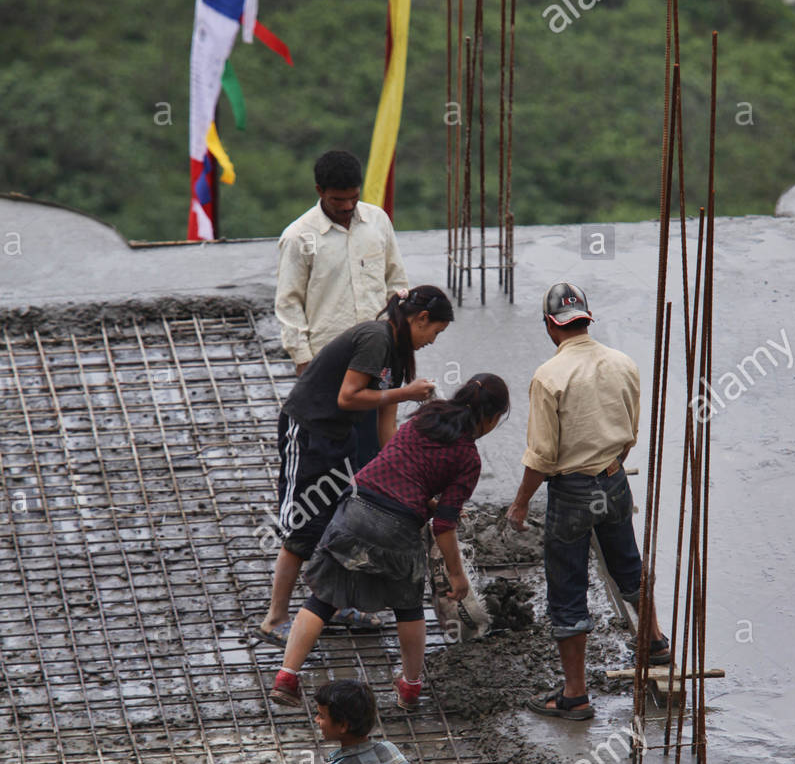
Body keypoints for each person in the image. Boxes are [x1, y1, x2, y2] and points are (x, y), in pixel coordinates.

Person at [270, 373, 510, 711]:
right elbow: (443, 524)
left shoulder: (426, 417)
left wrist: (421, 500)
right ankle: (410, 688)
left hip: (355, 507)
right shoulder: (468, 458)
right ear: (490, 417)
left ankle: (286, 677)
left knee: (323, 599)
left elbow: (402, 467)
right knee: (408, 607)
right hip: (397, 528)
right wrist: (457, 576)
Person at [507, 282, 669, 721]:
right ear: (586, 319)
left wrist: (521, 503)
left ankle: (575, 695)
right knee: (628, 564)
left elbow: (541, 456)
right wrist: (609, 466)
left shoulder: (549, 376)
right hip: (614, 481)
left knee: (567, 587)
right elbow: (631, 433)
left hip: (573, 493)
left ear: (550, 327)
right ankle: (654, 641)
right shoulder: (623, 363)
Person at [258, 287, 454, 642]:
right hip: (310, 432)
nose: (432, 341)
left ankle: (335, 601)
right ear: (420, 319)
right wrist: (406, 393)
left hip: (339, 437)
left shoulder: (397, 353)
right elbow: (348, 396)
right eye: (434, 332)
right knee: (303, 524)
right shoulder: (376, 338)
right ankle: (275, 618)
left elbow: (385, 424)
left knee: (340, 521)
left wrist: (403, 476)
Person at [275, 149, 408, 376]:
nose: (347, 206)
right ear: (320, 191)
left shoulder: (378, 221)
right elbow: (289, 303)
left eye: (353, 198)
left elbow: (396, 283)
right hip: (327, 356)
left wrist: (399, 335)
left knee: (380, 408)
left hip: (380, 349)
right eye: (338, 199)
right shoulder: (298, 236)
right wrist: (303, 359)